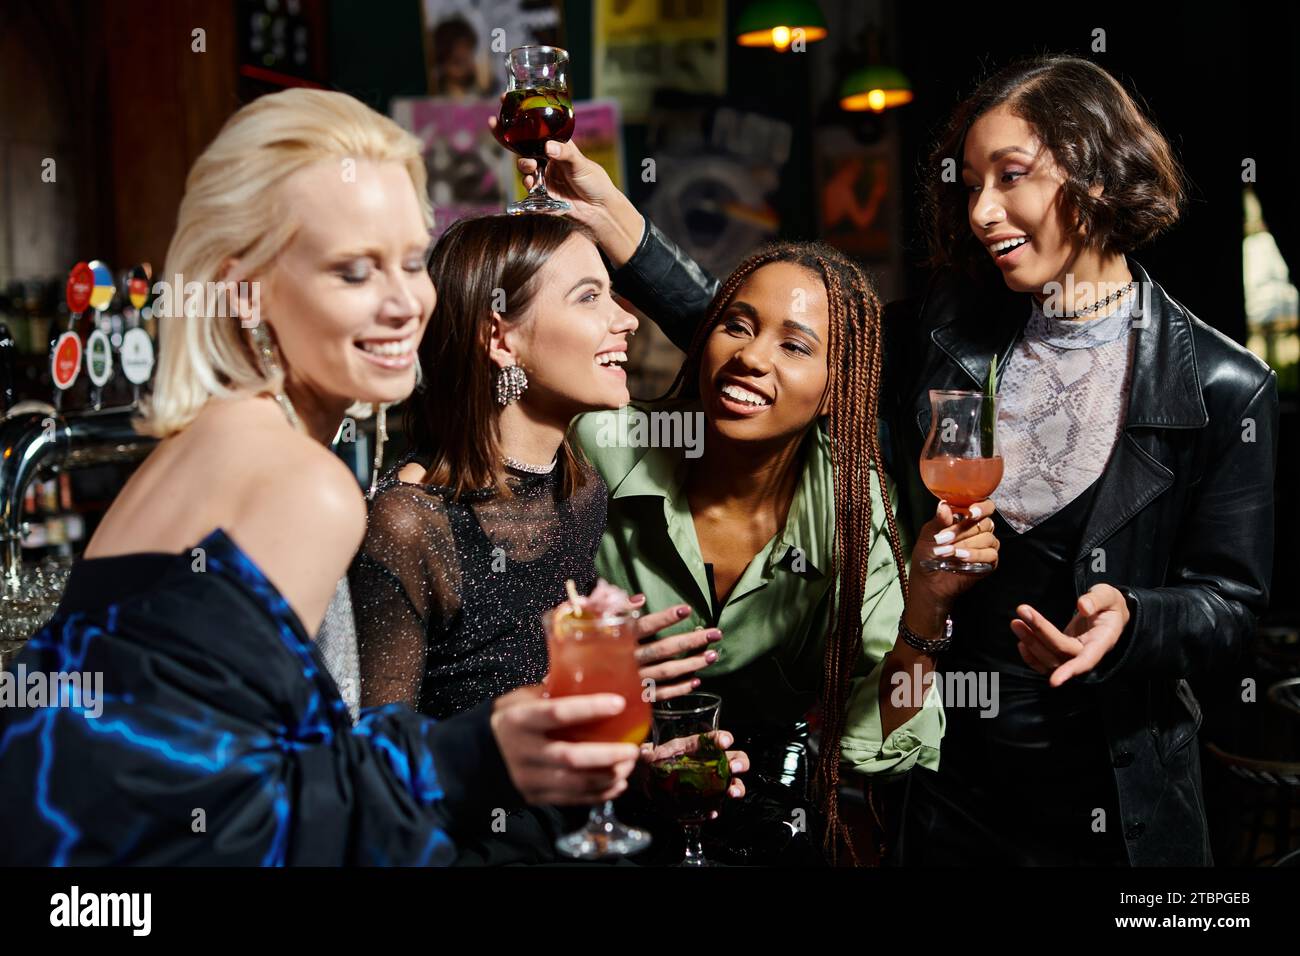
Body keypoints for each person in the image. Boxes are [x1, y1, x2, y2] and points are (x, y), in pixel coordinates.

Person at [530, 54, 1279, 866]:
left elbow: (1233, 605)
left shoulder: (1223, 383)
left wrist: (1137, 618)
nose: (984, 211)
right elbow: (776, 359)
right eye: (971, 186)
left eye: (1012, 176)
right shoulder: (947, 329)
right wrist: (620, 227)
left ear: (1097, 174)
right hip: (948, 784)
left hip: (1120, 794)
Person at [0, 88, 643, 866]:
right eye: (352, 272)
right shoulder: (304, 485)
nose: (407, 302)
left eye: (411, 260)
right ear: (247, 292)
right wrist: (472, 757)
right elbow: (230, 834)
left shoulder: (205, 444)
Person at [498, 129, 1001, 866]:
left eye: (796, 346)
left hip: (760, 816)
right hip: (592, 806)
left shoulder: (851, 502)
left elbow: (887, 736)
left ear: (839, 389)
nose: (752, 356)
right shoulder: (603, 445)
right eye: (736, 324)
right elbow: (485, 596)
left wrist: (927, 606)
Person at [349, 212, 749, 865]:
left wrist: (642, 764)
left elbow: (558, 715)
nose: (629, 320)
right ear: (500, 338)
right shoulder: (407, 524)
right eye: (590, 297)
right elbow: (375, 780)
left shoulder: (579, 490)